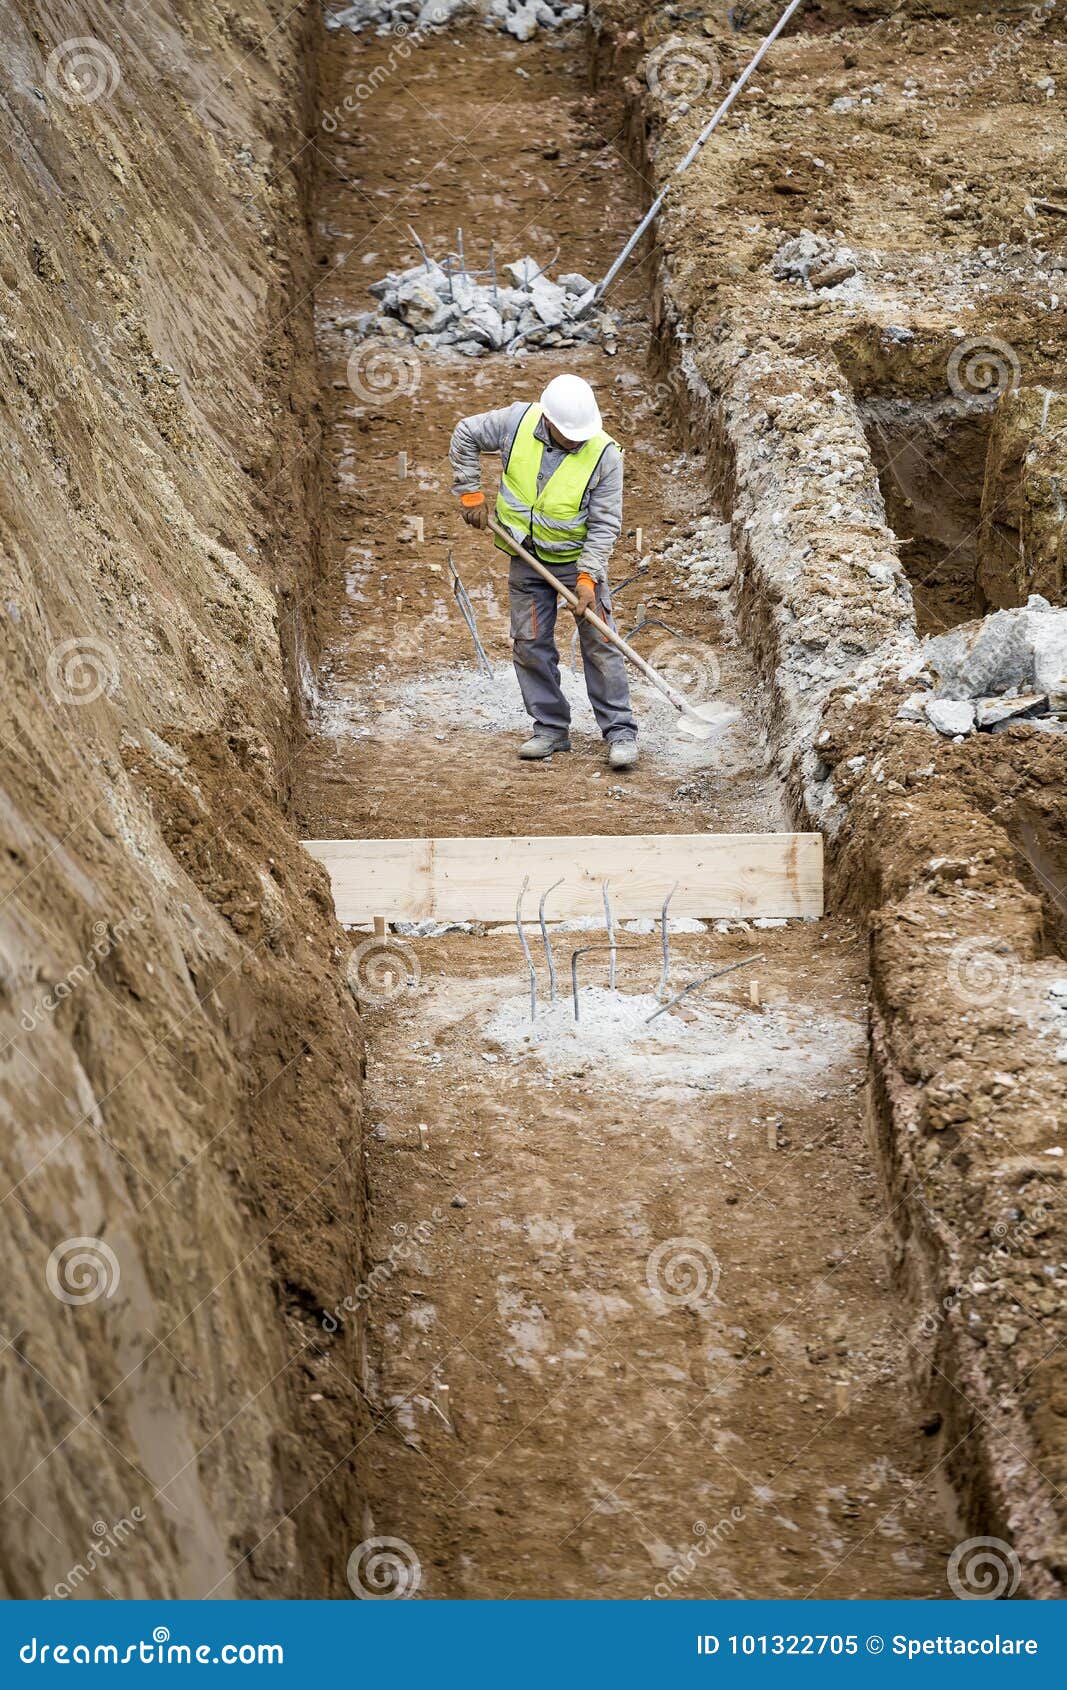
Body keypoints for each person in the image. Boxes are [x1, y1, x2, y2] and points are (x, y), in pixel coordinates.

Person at [449, 373, 638, 769]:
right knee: (530, 642)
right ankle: (551, 728)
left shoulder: (605, 455)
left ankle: (620, 732)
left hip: (577, 561)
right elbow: (465, 432)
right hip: (526, 554)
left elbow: (604, 524)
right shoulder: (516, 423)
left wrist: (587, 577)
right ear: (547, 420)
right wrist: (470, 493)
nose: (576, 442)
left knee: (602, 644)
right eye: (569, 435)